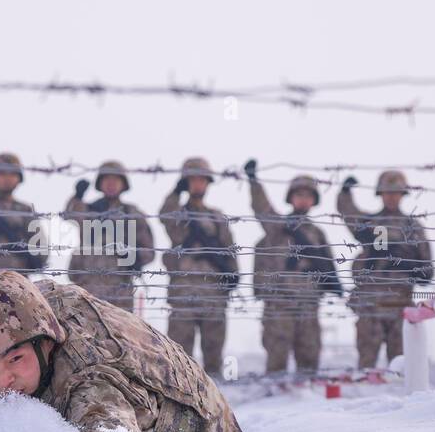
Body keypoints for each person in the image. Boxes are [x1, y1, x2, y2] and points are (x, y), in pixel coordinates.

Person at [0, 269, 249, 432]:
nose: (4, 381)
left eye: (15, 359)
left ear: (45, 343)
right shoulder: (31, 310)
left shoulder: (91, 386)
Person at [244, 159, 342, 375]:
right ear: (291, 198)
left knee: (309, 361)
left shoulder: (317, 234)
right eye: (299, 195)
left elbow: (328, 266)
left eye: (308, 195)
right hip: (279, 305)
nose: (303, 199)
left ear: (313, 200)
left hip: (308, 305)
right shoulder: (278, 228)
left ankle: (306, 403)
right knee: (277, 361)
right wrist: (253, 181)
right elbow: (262, 208)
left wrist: (334, 286)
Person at [336, 170, 433, 369]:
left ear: (402, 194)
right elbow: (349, 214)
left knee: (400, 365)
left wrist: (403, 262)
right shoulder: (369, 223)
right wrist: (345, 192)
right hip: (370, 304)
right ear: (380, 193)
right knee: (366, 364)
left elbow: (427, 271)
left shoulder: (413, 227)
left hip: (400, 303)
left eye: (396, 192)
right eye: (387, 192)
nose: (391, 196)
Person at [159, 157, 238, 376]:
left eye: (202, 180)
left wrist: (233, 275)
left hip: (214, 293)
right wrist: (176, 192)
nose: (197, 184)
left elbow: (229, 250)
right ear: (185, 183)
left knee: (213, 353)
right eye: (192, 180)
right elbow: (164, 214)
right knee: (179, 355)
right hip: (184, 292)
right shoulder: (178, 215)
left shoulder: (217, 218)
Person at [62, 160, 155, 311]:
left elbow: (149, 251)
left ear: (123, 184)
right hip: (87, 289)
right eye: (107, 179)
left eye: (115, 179)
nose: (111, 183)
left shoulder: (132, 214)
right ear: (100, 183)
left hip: (120, 291)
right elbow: (68, 215)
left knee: (120, 334)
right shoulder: (88, 210)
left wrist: (134, 256)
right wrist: (77, 196)